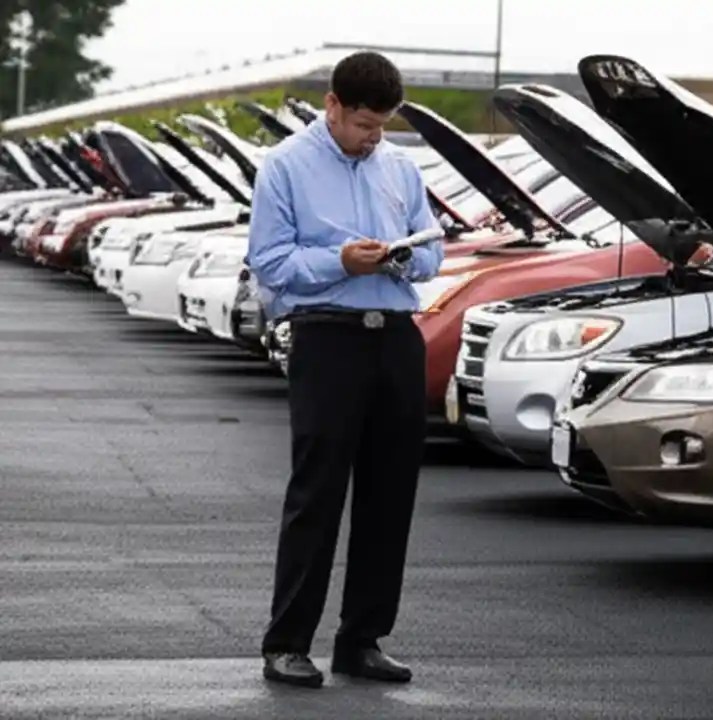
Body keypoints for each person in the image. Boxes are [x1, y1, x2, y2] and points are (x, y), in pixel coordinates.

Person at [247, 50, 444, 689]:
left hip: (395, 337)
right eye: (362, 123)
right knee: (318, 492)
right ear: (332, 106)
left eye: (381, 126)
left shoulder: (400, 167)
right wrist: (341, 262)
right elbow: (270, 264)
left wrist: (405, 260)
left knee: (391, 497)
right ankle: (286, 643)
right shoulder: (284, 167)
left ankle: (362, 640)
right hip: (326, 340)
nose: (372, 137)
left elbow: (432, 245)